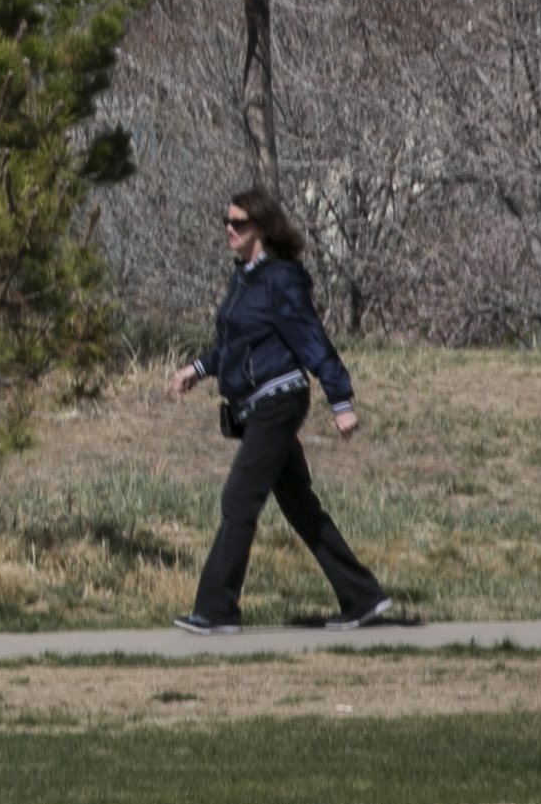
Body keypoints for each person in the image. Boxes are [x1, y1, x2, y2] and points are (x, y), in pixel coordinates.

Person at [166, 186, 392, 633]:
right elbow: (235, 343)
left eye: (239, 223)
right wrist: (197, 368)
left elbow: (311, 339)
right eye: (226, 222)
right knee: (299, 506)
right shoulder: (244, 278)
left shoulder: (281, 279)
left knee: (238, 498)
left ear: (263, 229)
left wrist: (340, 400)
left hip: (279, 399)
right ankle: (363, 597)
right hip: (257, 403)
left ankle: (216, 611)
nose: (229, 229)